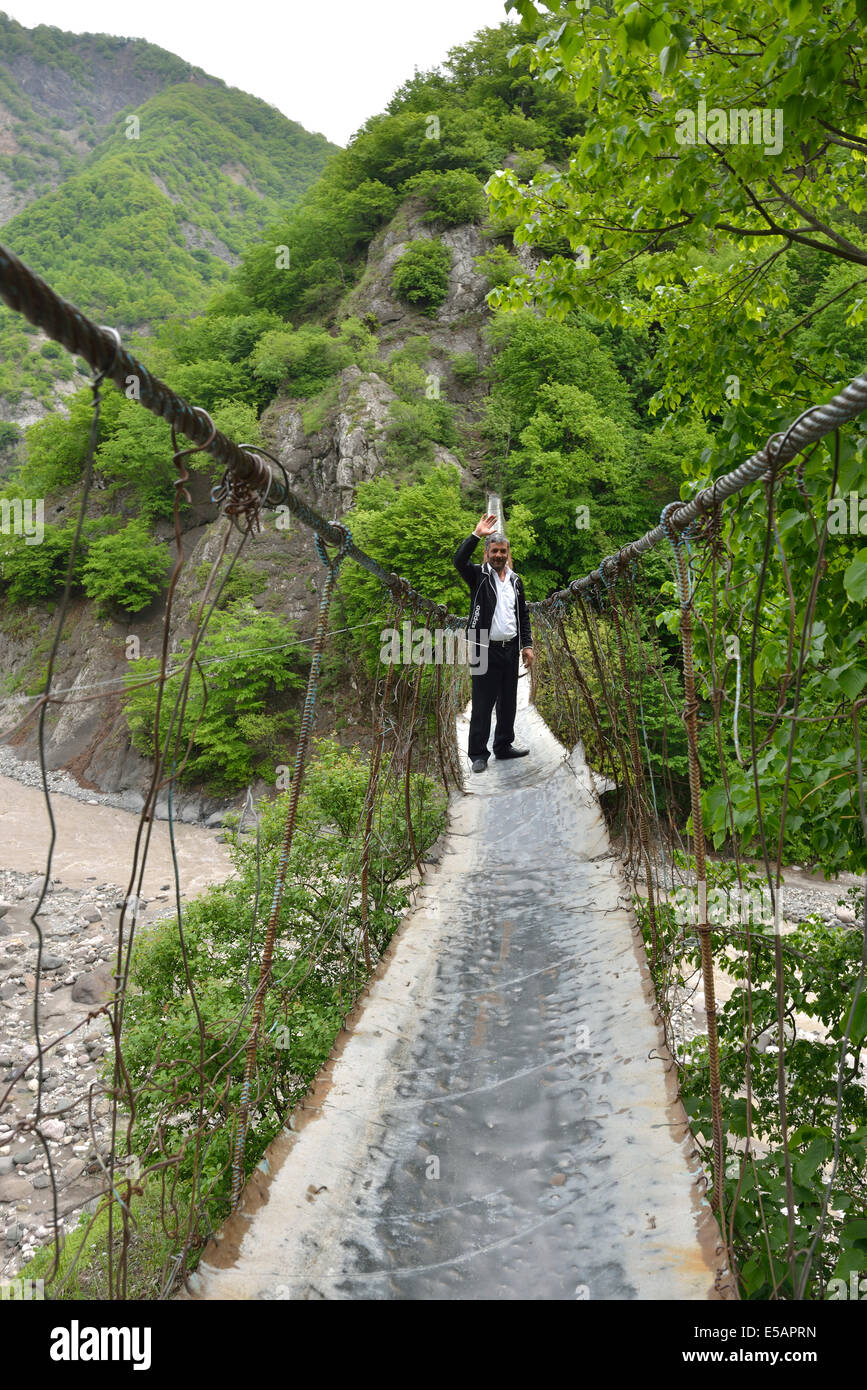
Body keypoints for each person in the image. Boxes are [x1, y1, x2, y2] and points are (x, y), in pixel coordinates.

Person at [454, 513, 534, 773]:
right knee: (482, 702)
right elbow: (458, 561)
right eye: (494, 551)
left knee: (508, 701)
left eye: (503, 551)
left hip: (510, 648)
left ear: (507, 554)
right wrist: (476, 535)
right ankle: (478, 753)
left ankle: (503, 746)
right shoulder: (477, 576)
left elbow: (522, 613)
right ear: (487, 553)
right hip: (481, 646)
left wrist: (527, 645)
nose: (499, 555)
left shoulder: (515, 581)